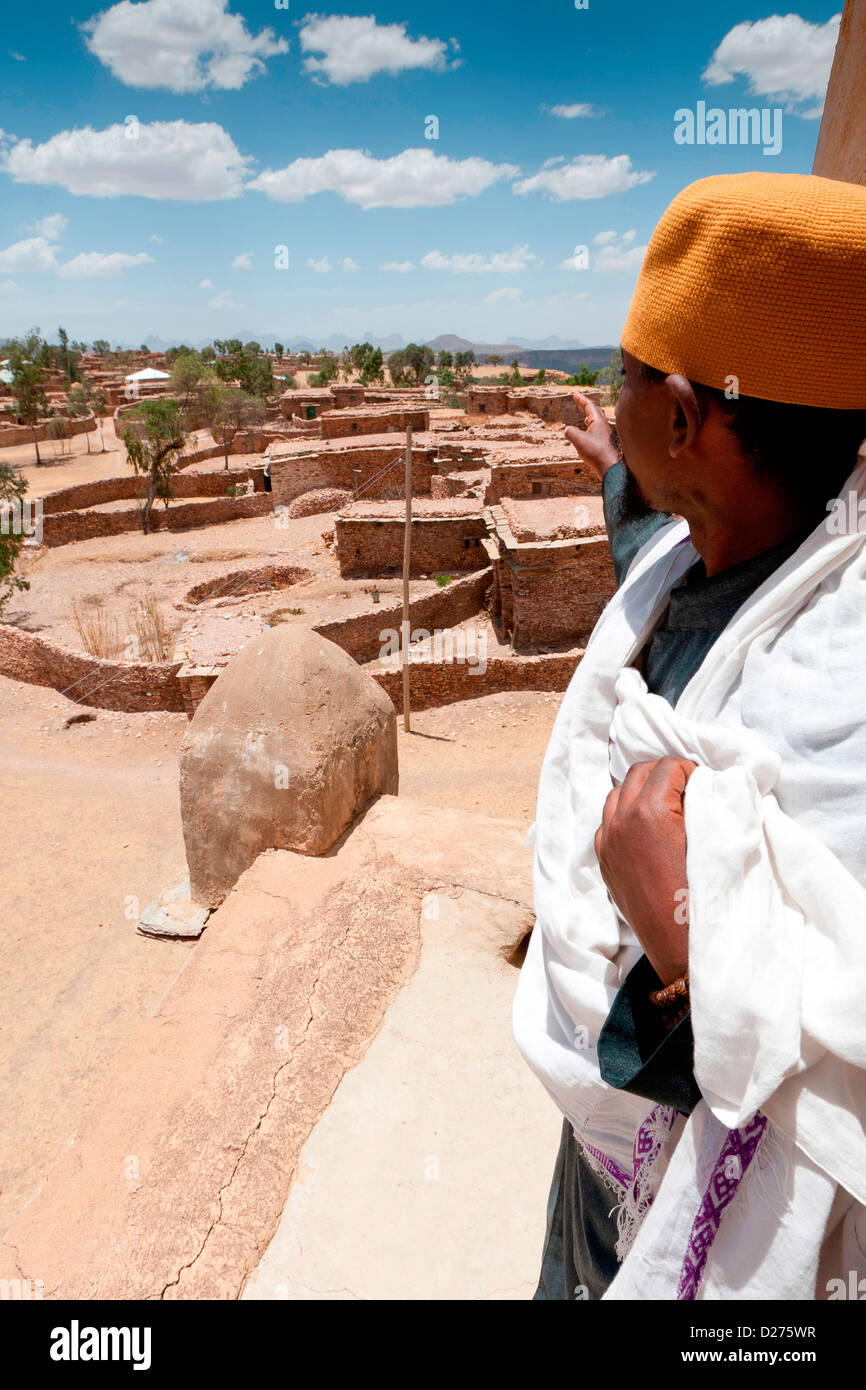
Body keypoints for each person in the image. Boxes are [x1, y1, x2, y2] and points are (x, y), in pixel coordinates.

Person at [513, 170, 866, 1300]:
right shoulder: (718, 550)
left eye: (620, 386)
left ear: (682, 416)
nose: (605, 403)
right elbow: (673, 559)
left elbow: (826, 1063)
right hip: (610, 1159)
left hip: (697, 1214)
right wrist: (623, 479)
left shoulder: (834, 703)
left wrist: (682, 931)